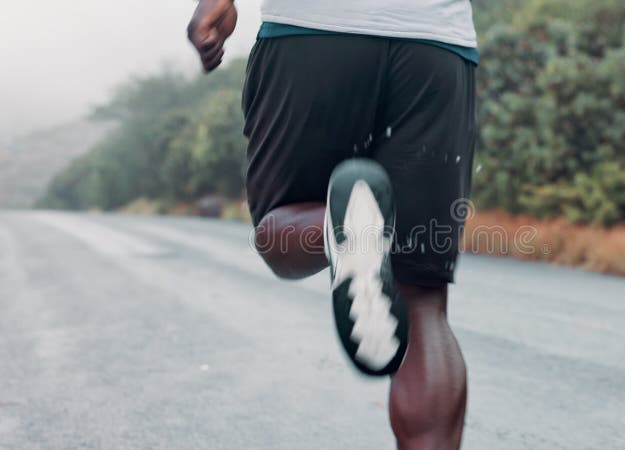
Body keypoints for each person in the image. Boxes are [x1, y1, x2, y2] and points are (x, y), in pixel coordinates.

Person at [188, 1, 478, 448]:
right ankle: (357, 227)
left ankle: (336, 225)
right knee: (422, 303)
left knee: (278, 224)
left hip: (313, 30)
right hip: (436, 43)